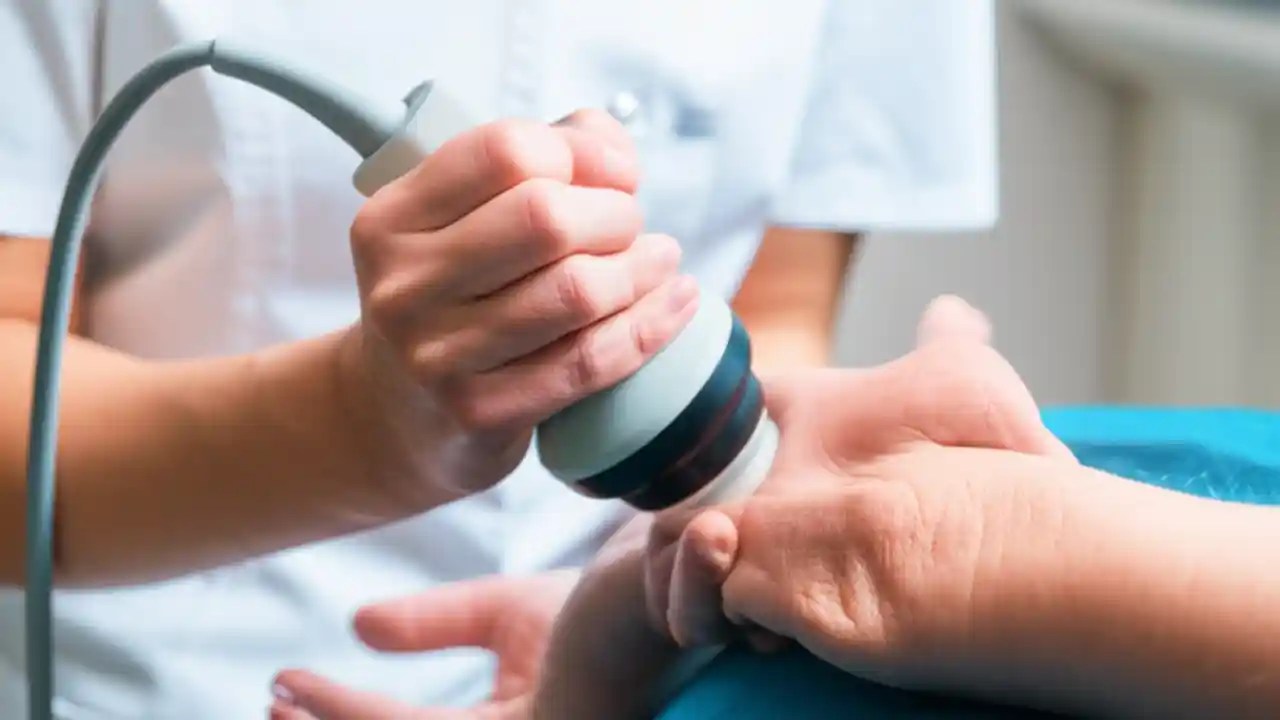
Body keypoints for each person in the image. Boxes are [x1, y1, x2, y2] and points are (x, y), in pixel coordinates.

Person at [0, 1, 996, 717]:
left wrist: (627, 617)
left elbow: (774, 311)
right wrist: (360, 426)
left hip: (632, 668)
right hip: (178, 682)